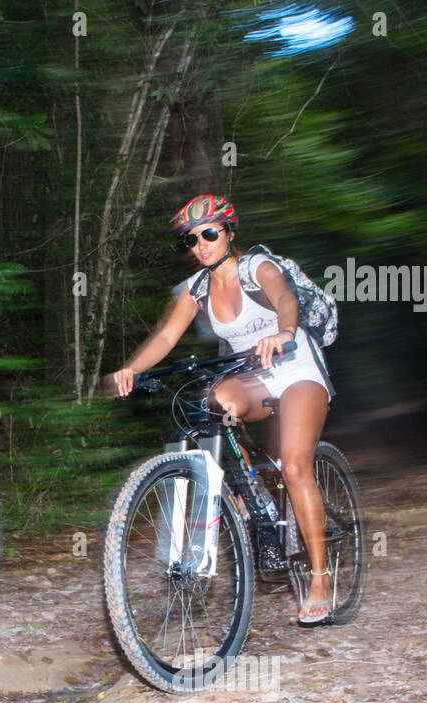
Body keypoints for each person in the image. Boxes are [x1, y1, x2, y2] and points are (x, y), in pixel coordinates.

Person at [107, 194, 337, 624]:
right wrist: (131, 369)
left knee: (295, 467)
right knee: (212, 400)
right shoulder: (196, 289)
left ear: (228, 232)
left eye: (209, 234)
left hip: (295, 366)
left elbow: (286, 300)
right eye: (191, 240)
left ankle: (321, 578)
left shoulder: (257, 268)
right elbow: (165, 337)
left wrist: (284, 331)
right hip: (253, 377)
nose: (200, 245)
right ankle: (255, 499)